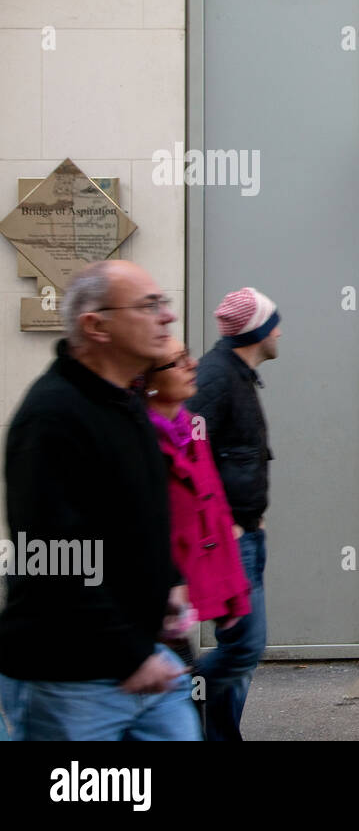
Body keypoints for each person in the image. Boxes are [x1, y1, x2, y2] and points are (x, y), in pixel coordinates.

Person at [0, 260, 200, 740]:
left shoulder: (125, 403)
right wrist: (130, 654)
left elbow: (140, 515)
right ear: (96, 326)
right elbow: (52, 557)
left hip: (145, 662)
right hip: (72, 677)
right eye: (149, 306)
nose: (167, 318)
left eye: (164, 304)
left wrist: (168, 583)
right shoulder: (52, 418)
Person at [187, 287, 280, 741]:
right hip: (230, 541)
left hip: (248, 537)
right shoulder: (216, 378)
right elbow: (187, 452)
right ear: (258, 330)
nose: (280, 330)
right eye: (274, 322)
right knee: (244, 647)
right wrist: (222, 524)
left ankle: (220, 735)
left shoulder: (239, 376)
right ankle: (187, 692)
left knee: (241, 651)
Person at [142, 337, 251, 678]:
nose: (193, 365)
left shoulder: (190, 432)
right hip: (135, 622)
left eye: (187, 355)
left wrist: (230, 596)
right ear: (148, 384)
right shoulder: (137, 442)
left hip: (170, 623)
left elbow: (214, 512)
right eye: (178, 361)